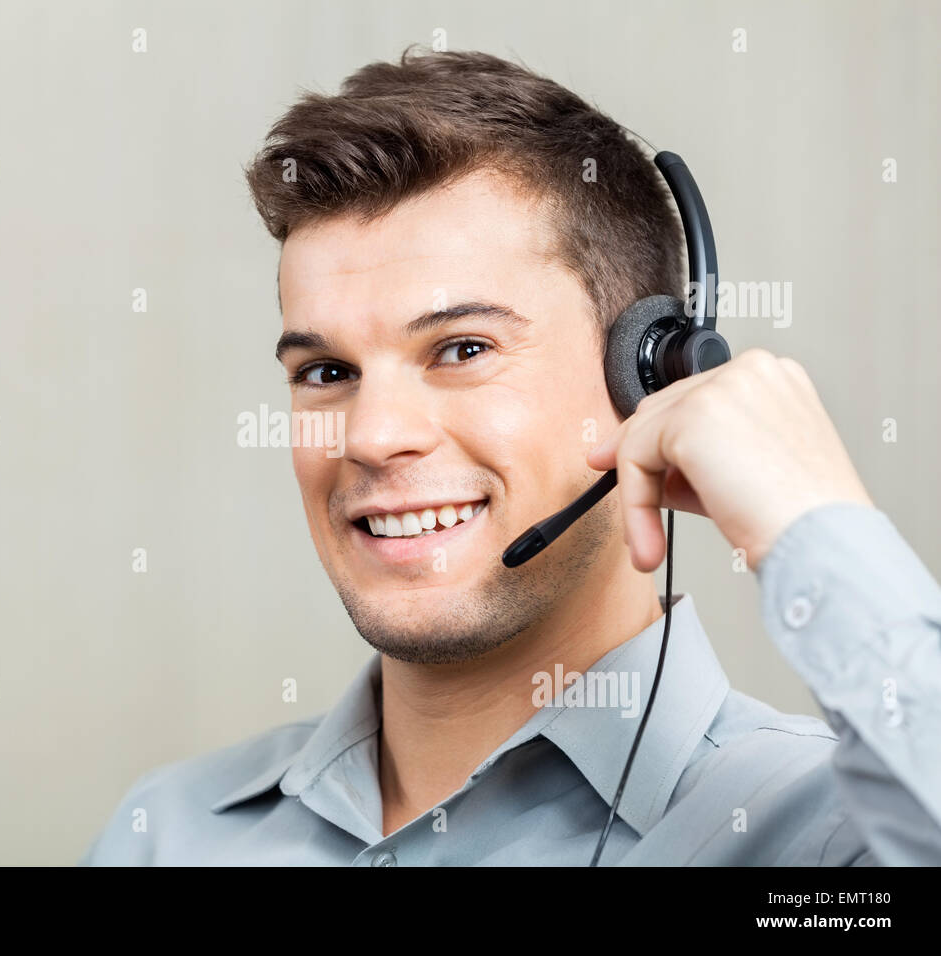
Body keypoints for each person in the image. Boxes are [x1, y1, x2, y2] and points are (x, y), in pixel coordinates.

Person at [80, 48, 941, 866]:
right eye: (328, 371)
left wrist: (816, 523)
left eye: (462, 349)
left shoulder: (825, 833)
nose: (372, 436)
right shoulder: (171, 835)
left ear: (647, 376)